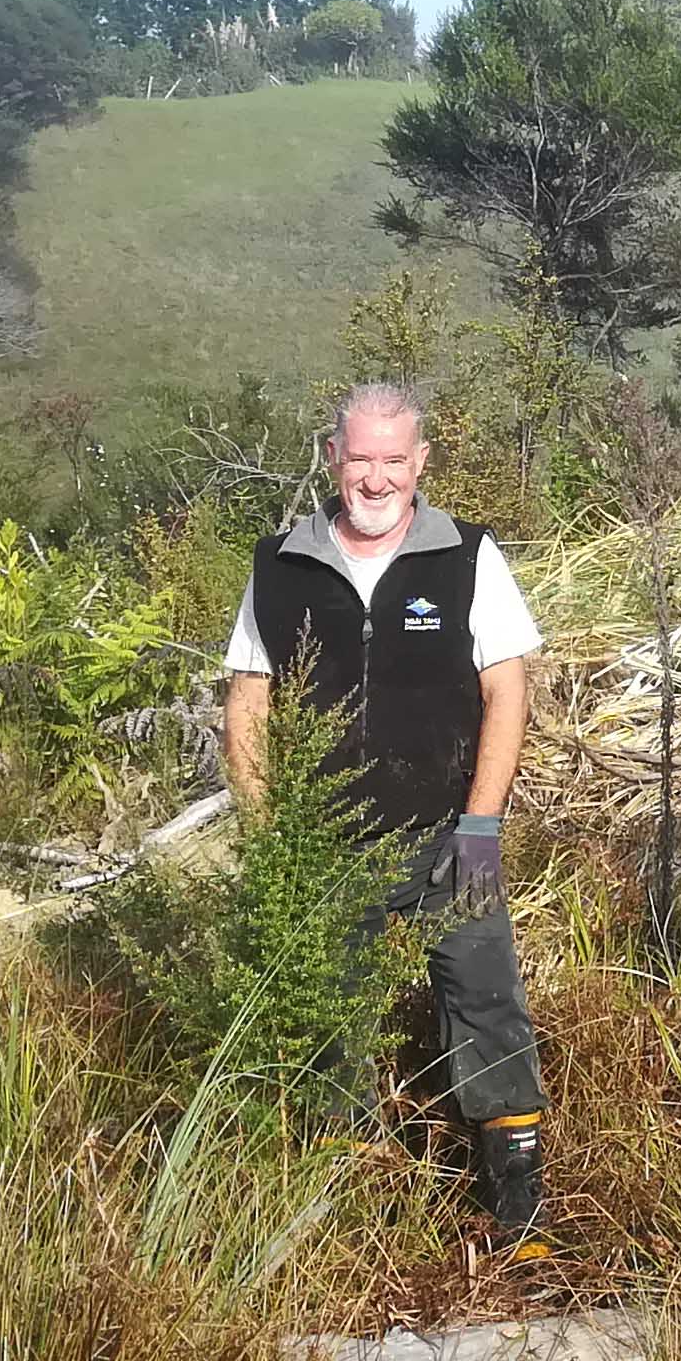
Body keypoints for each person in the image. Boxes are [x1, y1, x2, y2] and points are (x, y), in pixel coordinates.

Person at [223, 381, 555, 1255]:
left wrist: (481, 827)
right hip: (324, 843)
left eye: (395, 460)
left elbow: (507, 691)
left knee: (488, 1006)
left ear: (422, 462)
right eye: (361, 458)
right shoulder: (279, 565)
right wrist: (268, 837)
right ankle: (352, 1227)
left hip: (450, 840)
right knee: (331, 1025)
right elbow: (248, 704)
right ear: (333, 457)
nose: (376, 479)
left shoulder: (467, 556)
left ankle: (518, 1213)